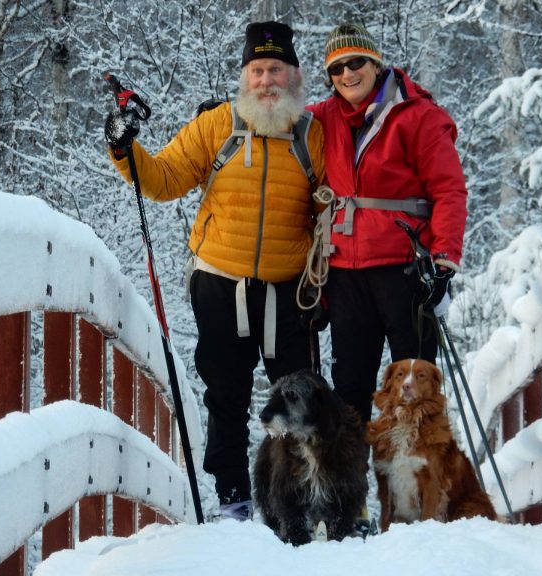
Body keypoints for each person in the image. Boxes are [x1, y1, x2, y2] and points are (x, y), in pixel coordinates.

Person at [105, 21, 325, 521]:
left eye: (276, 69)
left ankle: (295, 501)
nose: (266, 80)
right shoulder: (217, 126)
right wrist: (125, 149)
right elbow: (162, 179)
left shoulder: (314, 136)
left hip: (289, 289)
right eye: (257, 70)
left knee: (299, 396)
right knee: (225, 391)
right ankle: (233, 498)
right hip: (219, 281)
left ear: (294, 76)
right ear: (245, 76)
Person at [307, 23, 468, 424]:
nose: (347, 74)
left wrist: (443, 260)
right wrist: (227, 117)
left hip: (406, 267)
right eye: (336, 68)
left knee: (414, 388)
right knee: (349, 386)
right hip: (345, 271)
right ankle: (353, 484)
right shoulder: (322, 117)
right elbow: (272, 121)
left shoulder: (418, 116)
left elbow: (449, 190)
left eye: (356, 62)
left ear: (376, 63)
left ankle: (416, 482)